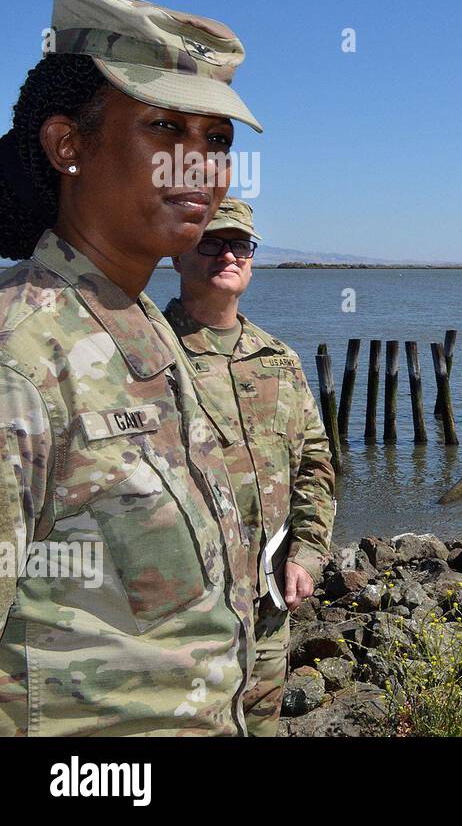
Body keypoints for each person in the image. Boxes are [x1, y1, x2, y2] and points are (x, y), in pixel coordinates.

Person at [0, 0, 263, 735]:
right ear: (67, 144)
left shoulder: (137, 322)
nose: (199, 166)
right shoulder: (22, 357)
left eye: (217, 140)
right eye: (164, 127)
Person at [165, 198, 336, 736]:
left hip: (267, 607)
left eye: (240, 245)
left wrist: (307, 551)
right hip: (182, 614)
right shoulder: (147, 354)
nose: (228, 255)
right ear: (178, 254)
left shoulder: (278, 359)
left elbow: (316, 462)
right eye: (211, 242)